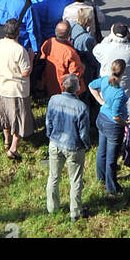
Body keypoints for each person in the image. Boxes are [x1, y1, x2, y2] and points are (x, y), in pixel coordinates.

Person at [46, 73, 90, 221]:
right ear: (77, 89)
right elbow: (83, 132)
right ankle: (75, 212)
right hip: (73, 146)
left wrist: (50, 135)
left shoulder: (53, 100)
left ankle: (52, 208)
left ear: (62, 86)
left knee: (53, 176)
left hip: (55, 143)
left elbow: (49, 122)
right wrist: (86, 145)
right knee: (75, 180)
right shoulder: (81, 107)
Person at [0, 18, 34, 160]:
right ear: (18, 32)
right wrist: (31, 58)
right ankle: (13, 148)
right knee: (17, 118)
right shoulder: (19, 50)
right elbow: (25, 72)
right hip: (16, 89)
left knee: (4, 114)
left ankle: (6, 140)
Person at [90, 58, 129, 194]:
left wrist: (101, 101)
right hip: (113, 126)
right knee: (112, 159)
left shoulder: (105, 80)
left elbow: (91, 86)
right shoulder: (119, 93)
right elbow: (116, 116)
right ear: (123, 72)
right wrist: (126, 124)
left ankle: (100, 177)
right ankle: (111, 187)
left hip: (101, 118)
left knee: (102, 150)